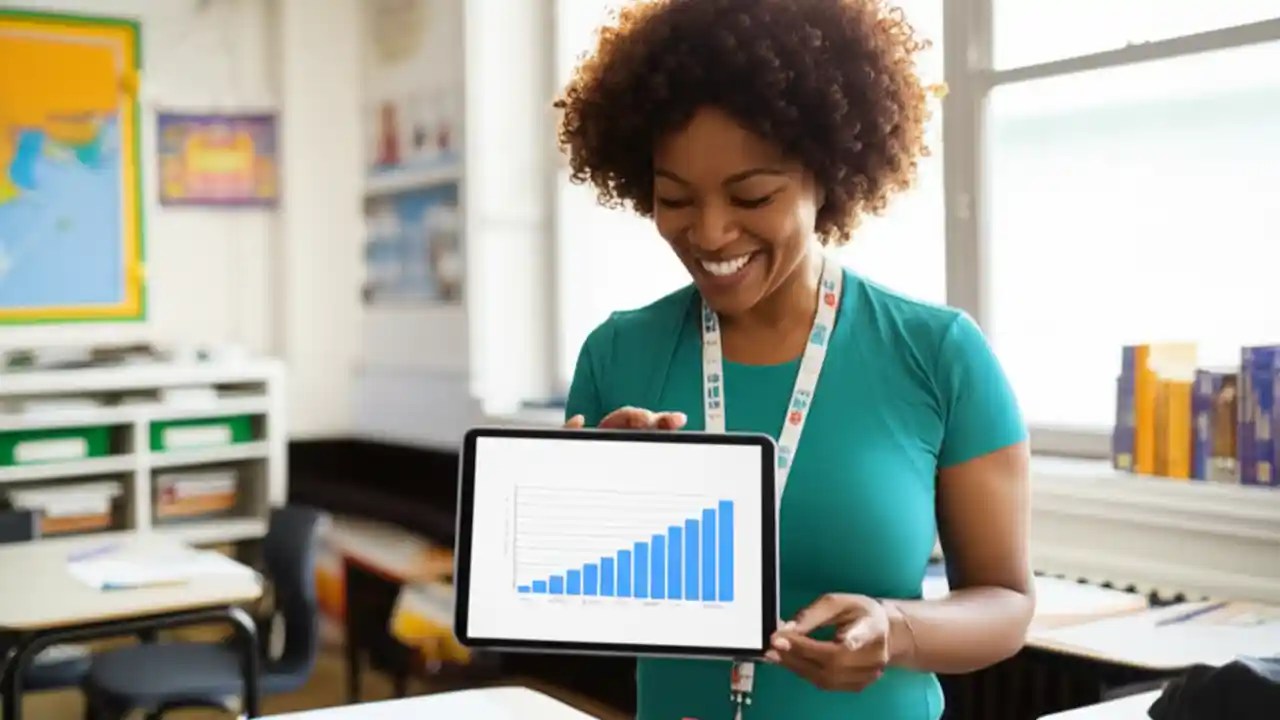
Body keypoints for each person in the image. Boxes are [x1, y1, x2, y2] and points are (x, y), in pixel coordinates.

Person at [556, 0, 1034, 718]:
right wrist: (588, 514)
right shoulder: (617, 353)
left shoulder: (938, 355)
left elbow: (1007, 603)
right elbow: (580, 608)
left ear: (827, 174)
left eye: (752, 196)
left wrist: (896, 629)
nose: (710, 233)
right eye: (675, 198)